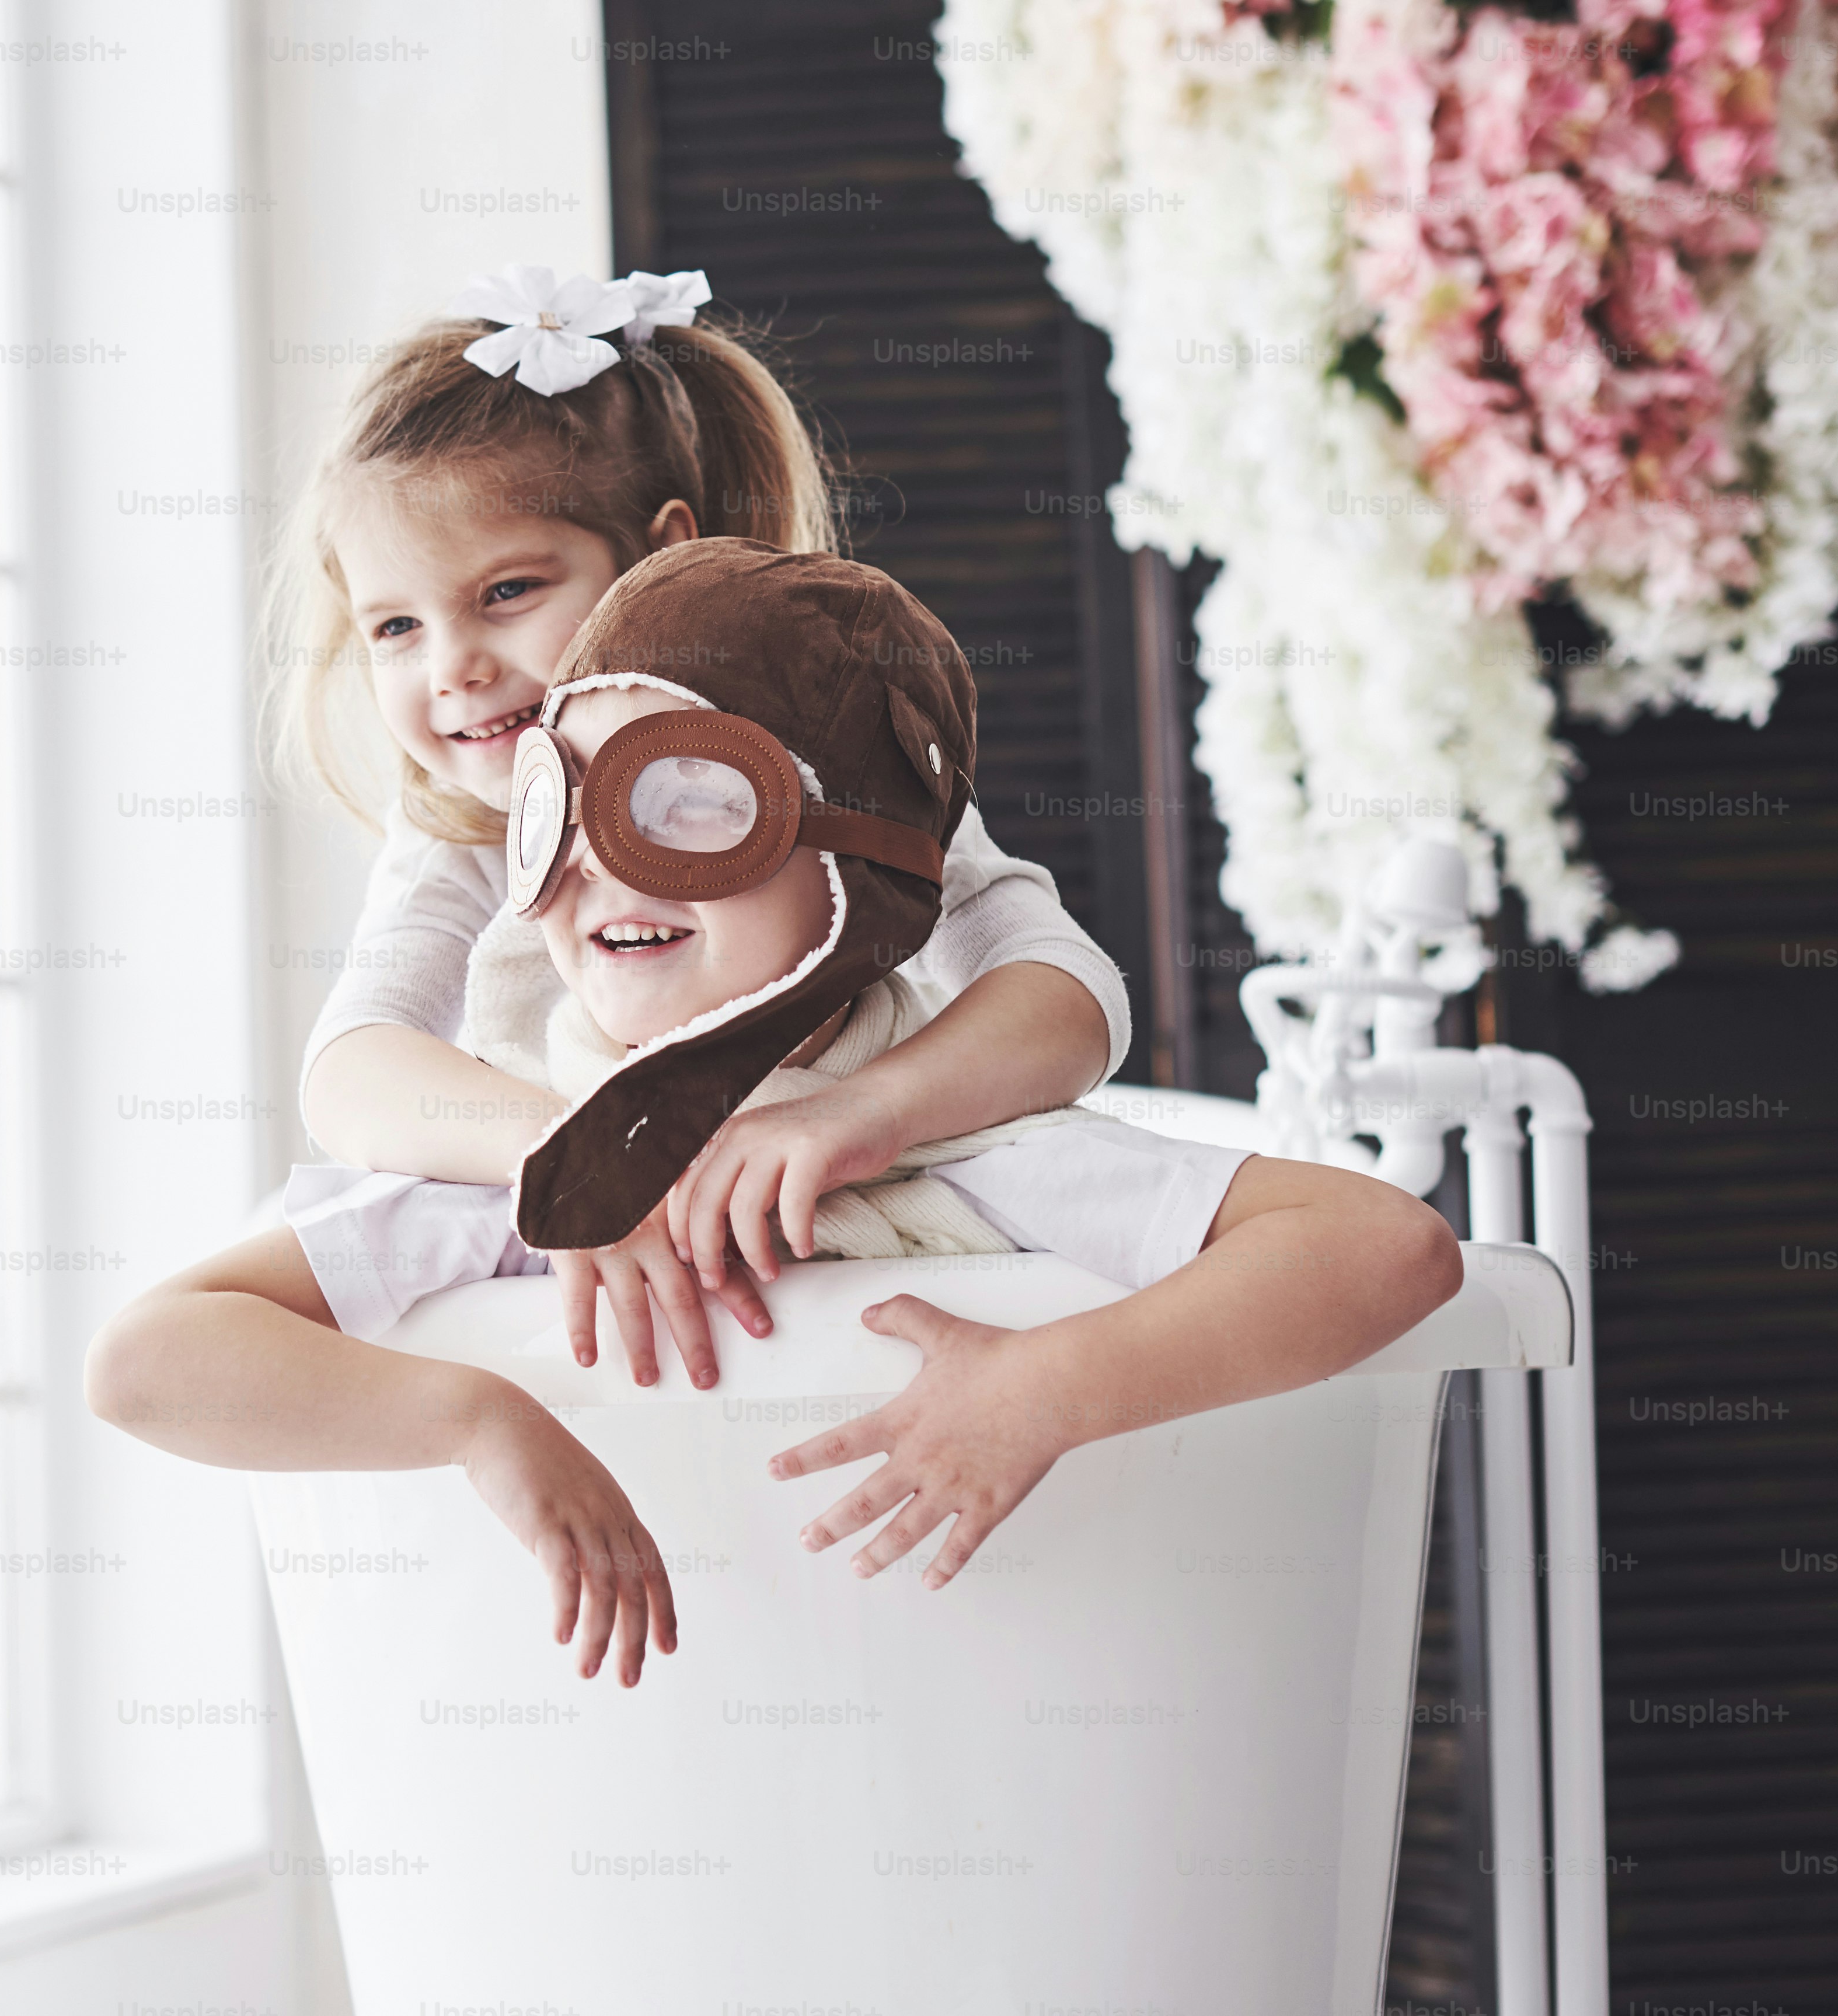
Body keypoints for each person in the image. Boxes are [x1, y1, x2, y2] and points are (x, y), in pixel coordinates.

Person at [91, 542, 1464, 1691]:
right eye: (551, 816)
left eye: (685, 807)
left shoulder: (975, 1162)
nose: (594, 869)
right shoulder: (513, 1192)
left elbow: (1389, 1249)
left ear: (857, 869)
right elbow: (151, 1359)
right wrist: (475, 1419)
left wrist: (1048, 1385)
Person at [278, 266, 1129, 1386]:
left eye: (506, 592)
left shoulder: (825, 759)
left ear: (659, 552)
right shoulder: (456, 825)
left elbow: (1069, 995)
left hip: (840, 1243)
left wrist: (868, 1115)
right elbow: (350, 1074)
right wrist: (593, 1164)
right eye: (394, 624)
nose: (454, 670)